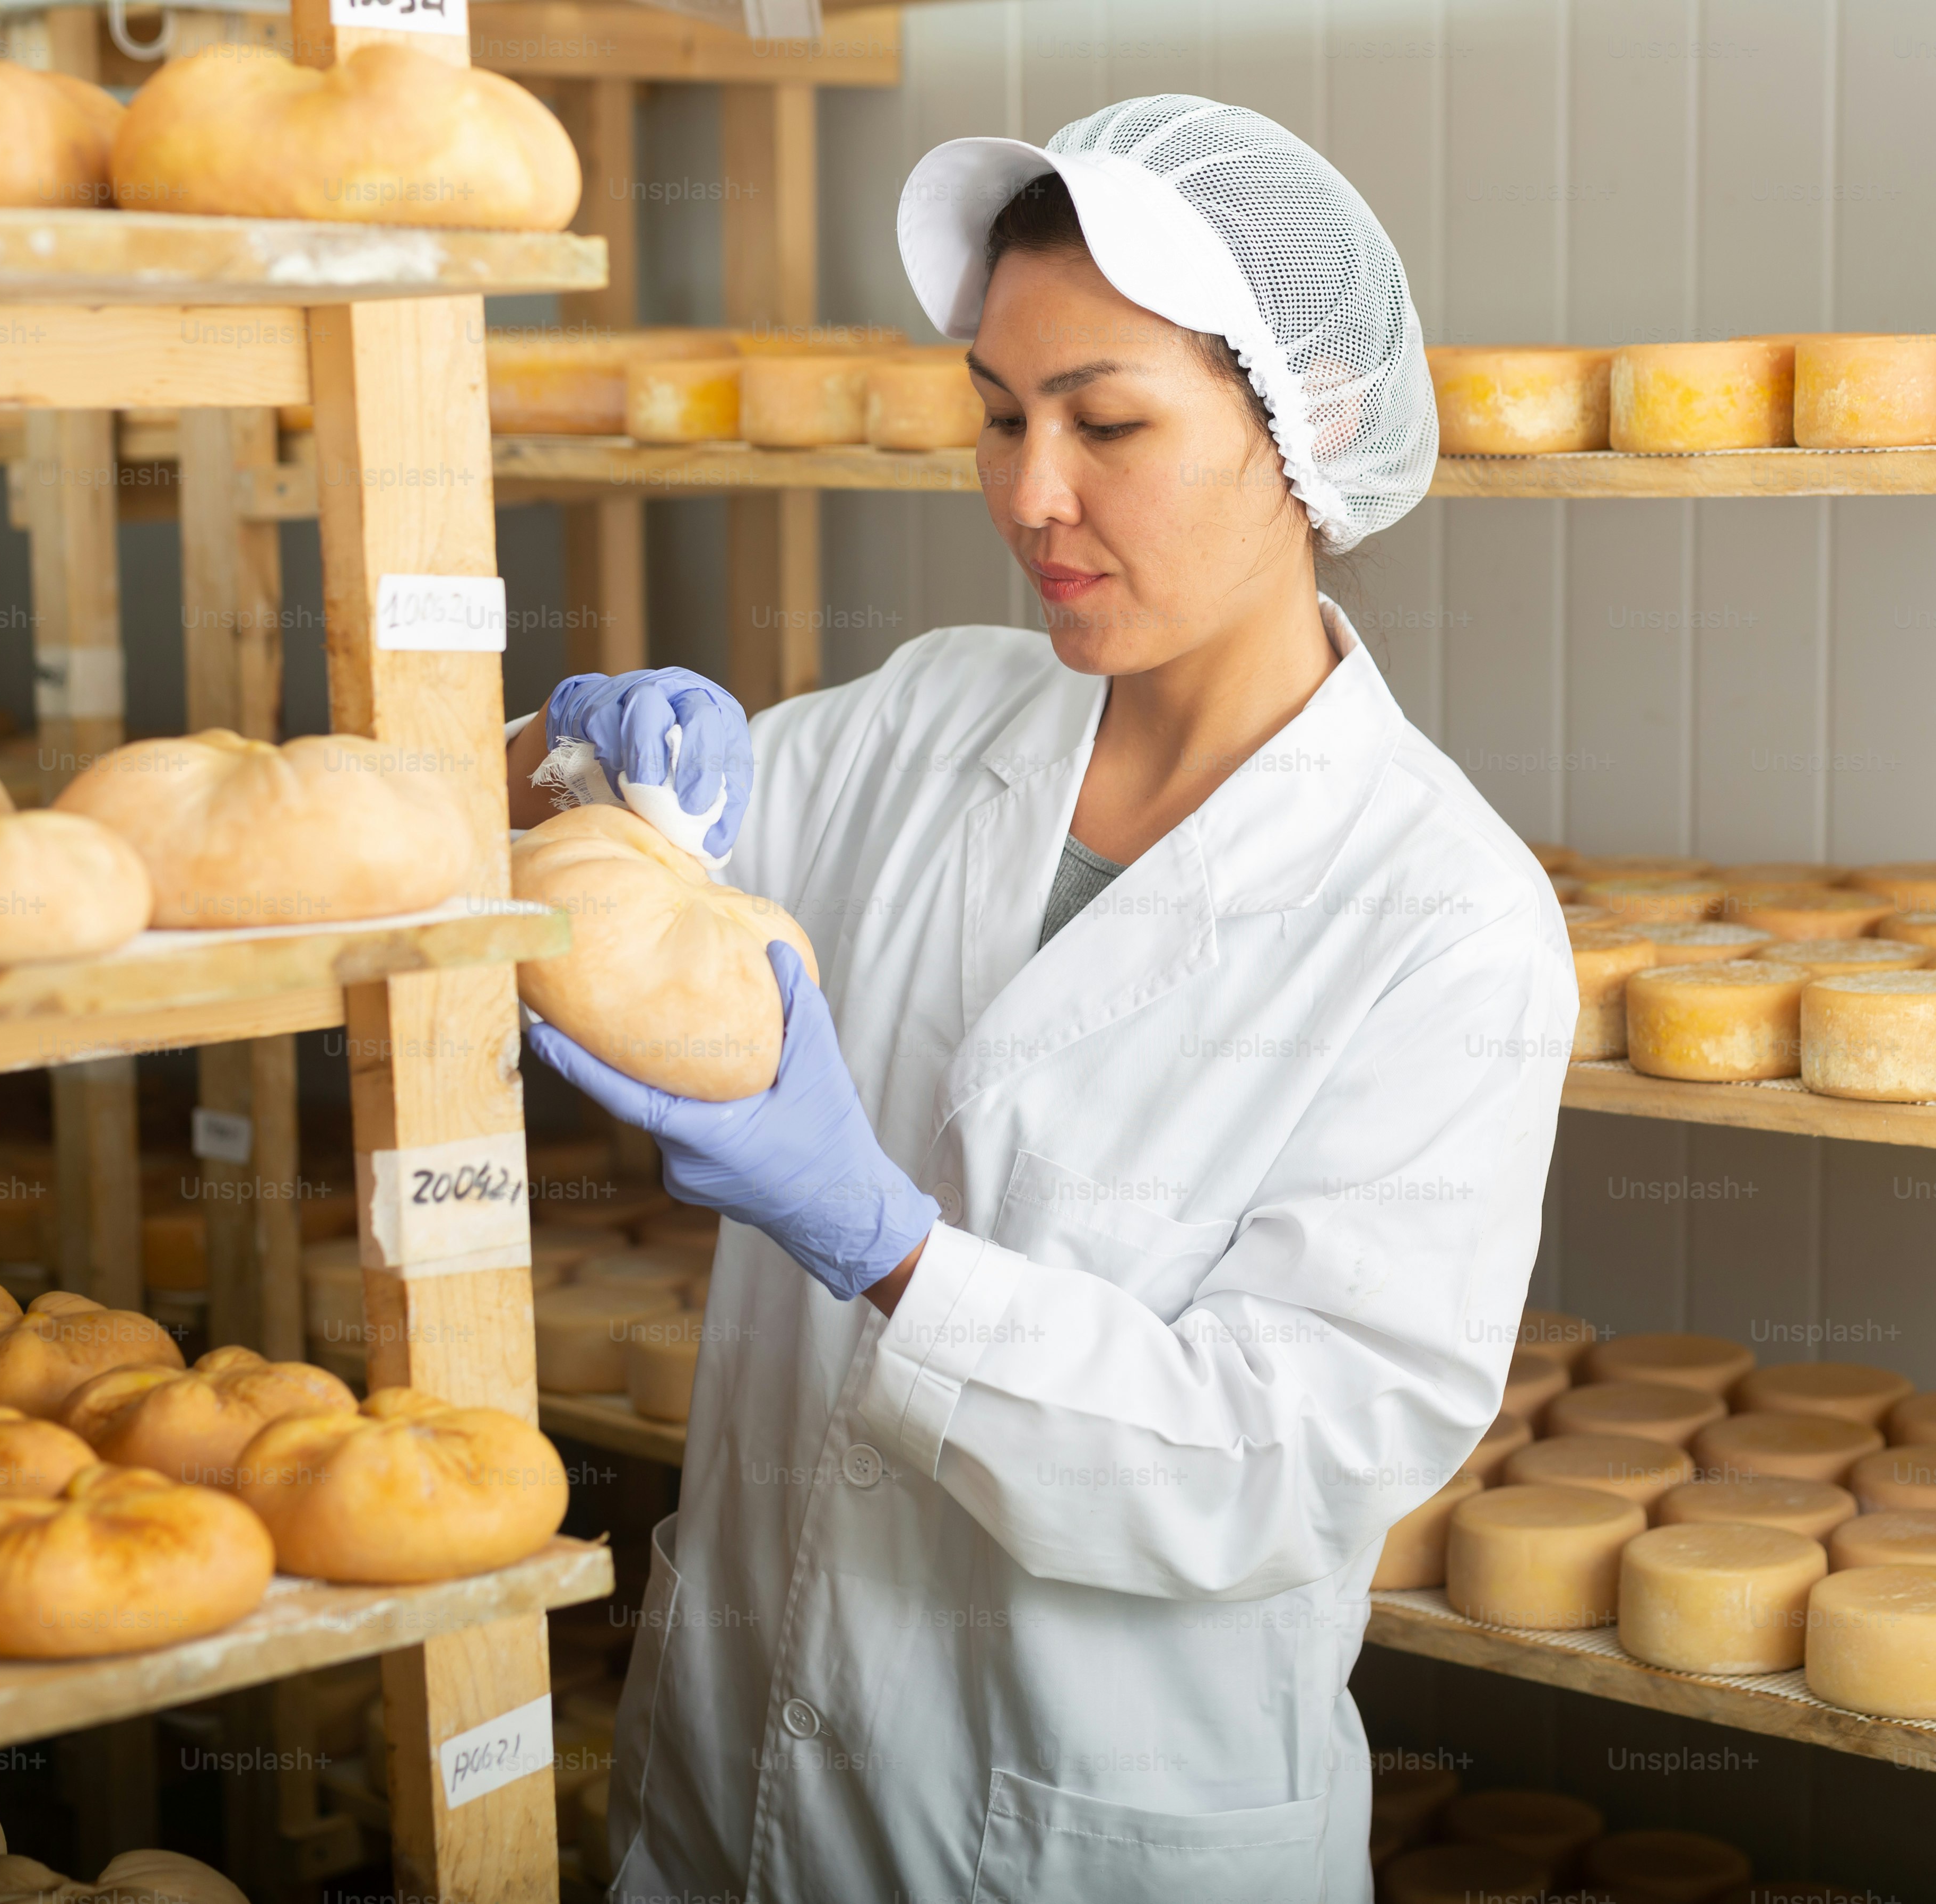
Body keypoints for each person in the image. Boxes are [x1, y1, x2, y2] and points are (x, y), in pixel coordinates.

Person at [510, 95, 1579, 1904]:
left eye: (1108, 421)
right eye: (1000, 416)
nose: (1030, 493)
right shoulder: (934, 719)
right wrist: (576, 750)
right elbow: (592, 862)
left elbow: (1273, 1463)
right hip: (735, 1787)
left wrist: (887, 1248)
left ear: (1302, 429)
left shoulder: (1444, 917)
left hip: (1083, 1829)